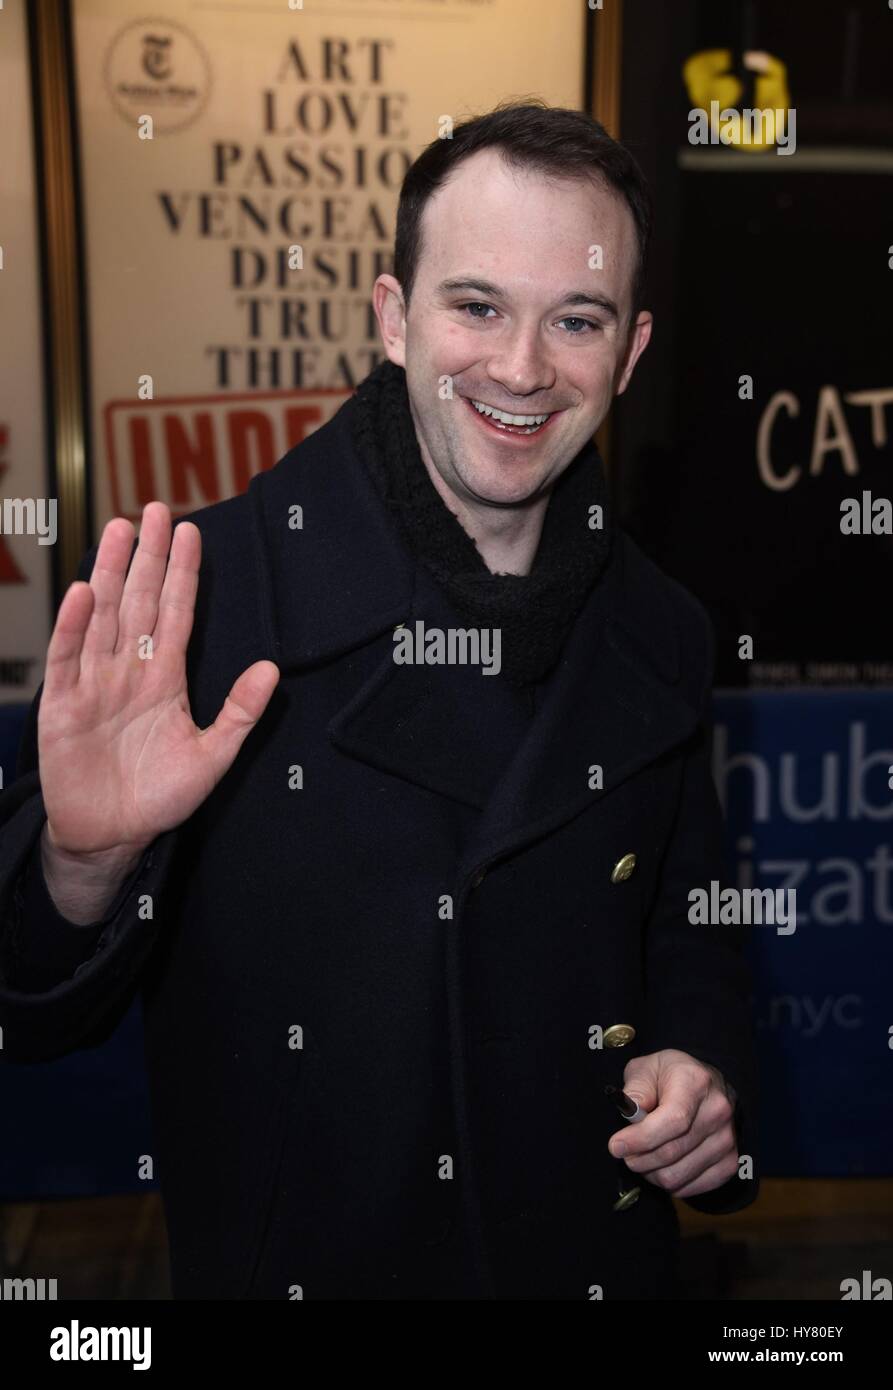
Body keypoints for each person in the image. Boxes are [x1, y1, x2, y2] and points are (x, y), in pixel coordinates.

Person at [0, 101, 758, 1300]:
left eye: (575, 319)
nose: (520, 368)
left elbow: (684, 926)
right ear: (393, 319)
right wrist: (82, 867)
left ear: (630, 349)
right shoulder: (208, 591)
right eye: (475, 306)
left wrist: (702, 1073)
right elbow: (27, 1008)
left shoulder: (659, 627)